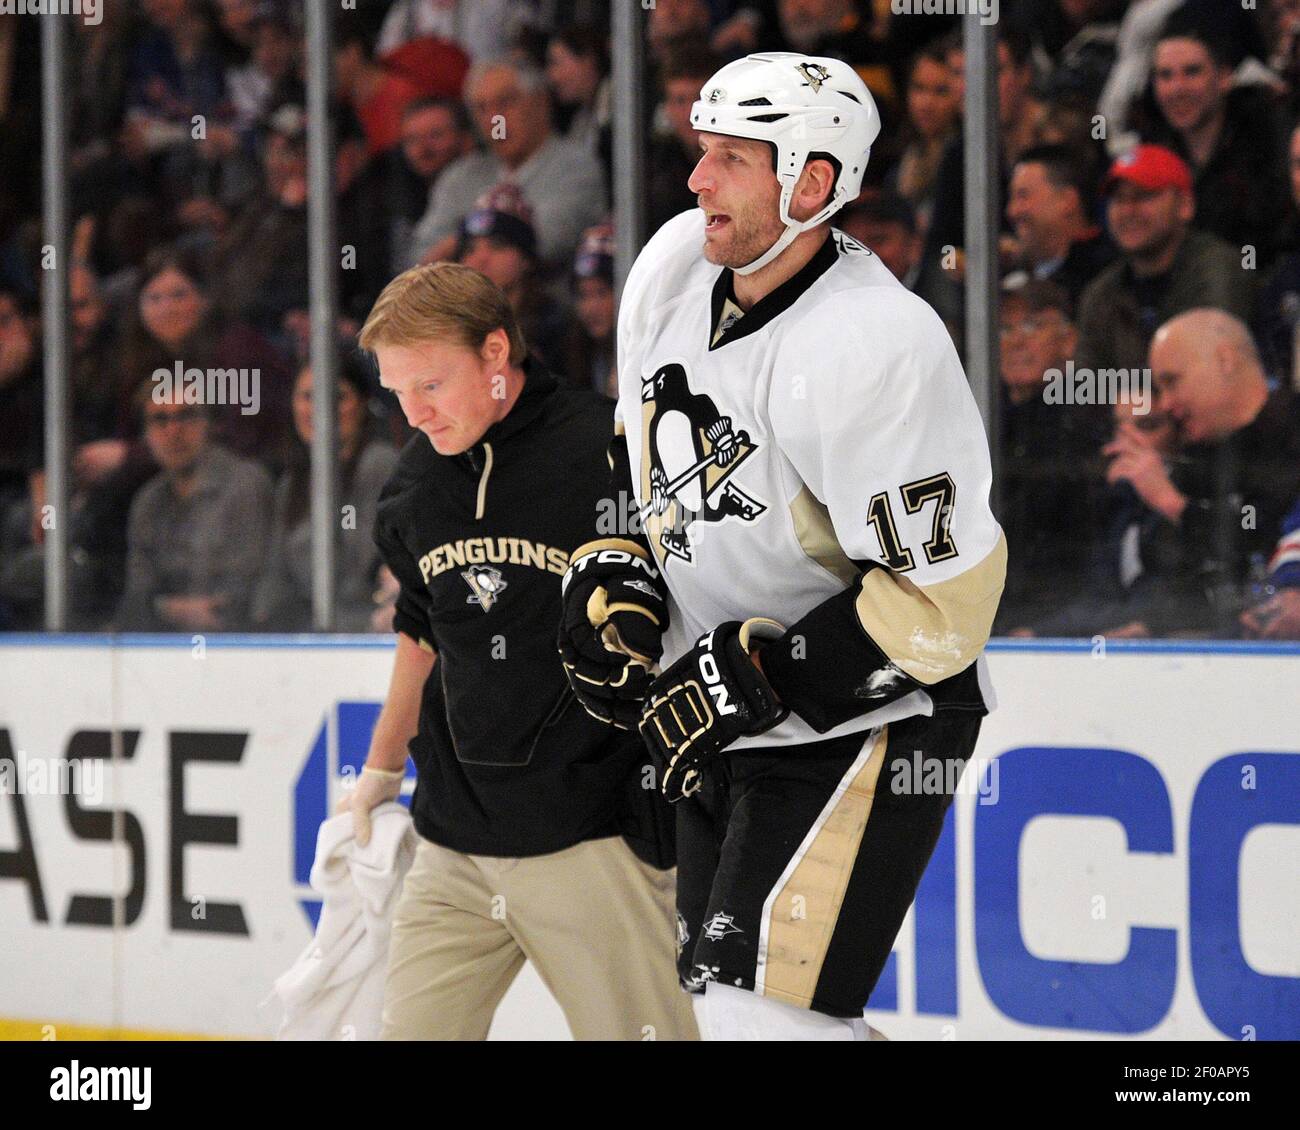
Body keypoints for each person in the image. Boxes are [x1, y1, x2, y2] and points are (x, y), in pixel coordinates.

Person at [558, 54, 1005, 1040]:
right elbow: (647, 468)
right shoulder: (676, 272)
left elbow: (945, 606)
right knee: (736, 1011)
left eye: (729, 158)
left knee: (760, 1016)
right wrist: (627, 573)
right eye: (699, 149)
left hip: (869, 720)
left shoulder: (875, 344)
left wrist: (765, 675)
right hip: (724, 720)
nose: (695, 178)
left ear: (810, 182)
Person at [344, 263, 697, 1041]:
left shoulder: (611, 452)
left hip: (593, 837)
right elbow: (422, 626)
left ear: (496, 351)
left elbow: (694, 611)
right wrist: (380, 770)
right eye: (397, 392)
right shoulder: (414, 488)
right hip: (453, 842)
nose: (415, 415)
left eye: (430, 385)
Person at [1074, 145, 1254, 376]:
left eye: (1144, 196)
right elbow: (1084, 390)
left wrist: (1134, 401)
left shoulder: (1218, 270)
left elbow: (1208, 373)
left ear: (1185, 206)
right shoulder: (1102, 293)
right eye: (1118, 199)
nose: (1128, 211)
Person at [252, 356, 397, 632]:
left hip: (364, 633)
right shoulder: (293, 482)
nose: (321, 409)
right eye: (308, 396)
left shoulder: (379, 465)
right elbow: (275, 577)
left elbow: (362, 569)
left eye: (337, 397)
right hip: (306, 634)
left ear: (363, 403)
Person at [115, 384, 273, 632]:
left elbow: (242, 593)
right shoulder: (148, 501)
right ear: (146, 435)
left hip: (238, 645)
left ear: (210, 425)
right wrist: (173, 610)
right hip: (163, 649)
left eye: (186, 416)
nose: (174, 431)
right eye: (160, 420)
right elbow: (137, 598)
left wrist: (163, 608)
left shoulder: (244, 485)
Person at [1004, 143, 1114, 307]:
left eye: (1023, 195)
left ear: (1067, 201)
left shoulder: (1108, 278)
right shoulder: (1012, 274)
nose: (1012, 211)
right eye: (1012, 198)